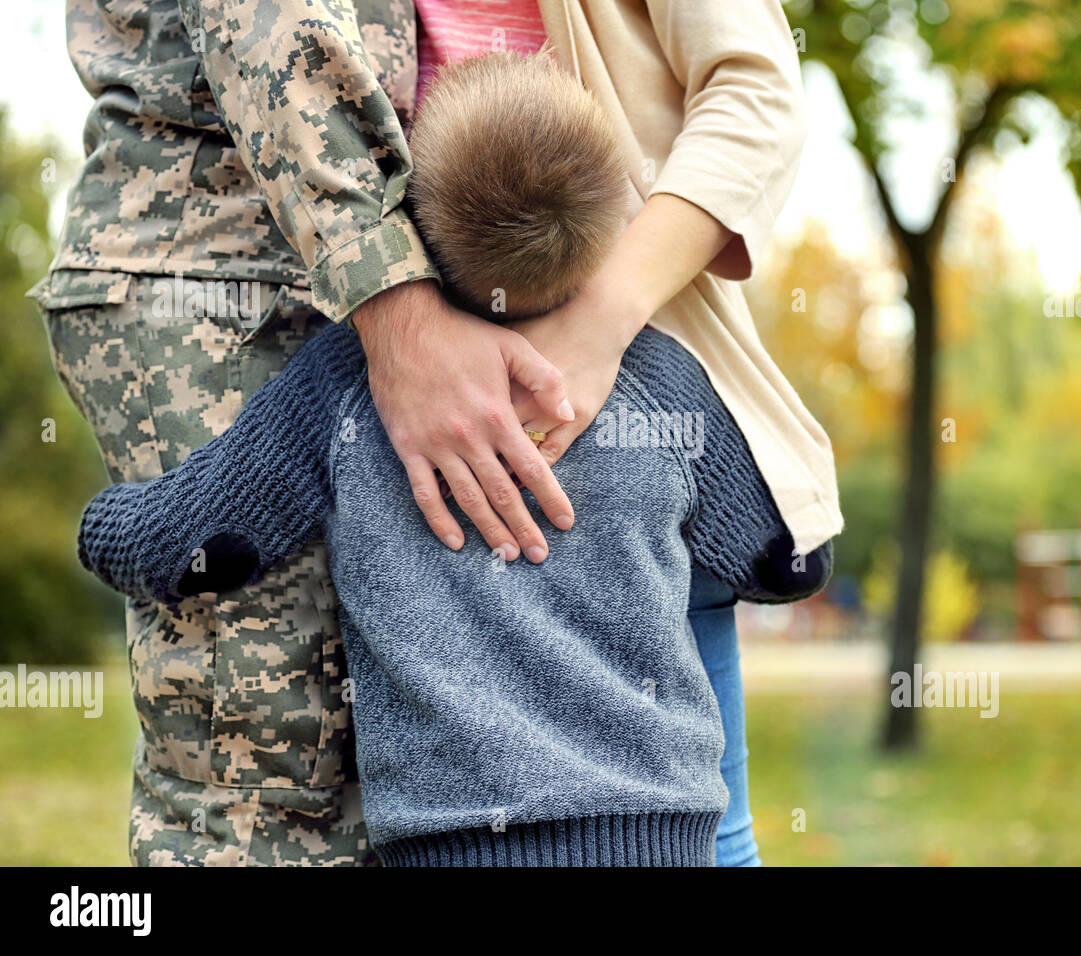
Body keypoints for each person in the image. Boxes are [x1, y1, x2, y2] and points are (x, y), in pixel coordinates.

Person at [33, 0, 842, 865]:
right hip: (655, 835)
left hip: (452, 845)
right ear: (613, 213)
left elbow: (195, 539)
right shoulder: (664, 387)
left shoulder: (345, 385)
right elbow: (785, 557)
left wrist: (104, 530)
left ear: (410, 214)